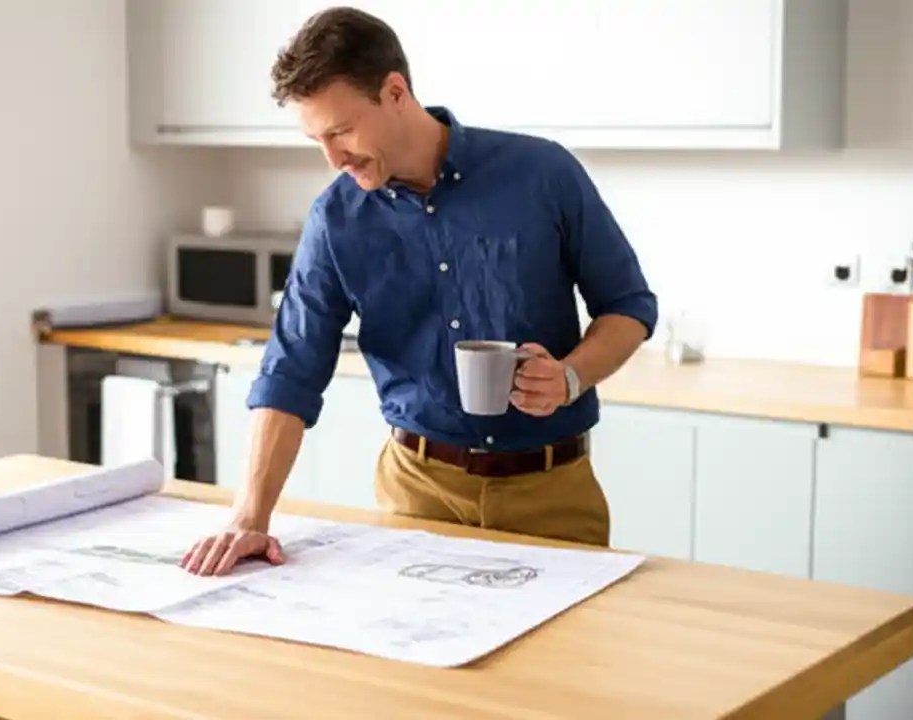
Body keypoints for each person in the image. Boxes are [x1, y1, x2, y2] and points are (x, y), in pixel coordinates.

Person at [180, 7, 656, 576]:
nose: (333, 158)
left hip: (553, 496)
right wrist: (248, 518)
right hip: (416, 496)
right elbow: (290, 372)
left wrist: (571, 376)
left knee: (564, 664)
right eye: (317, 139)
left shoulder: (542, 173)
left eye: (341, 130)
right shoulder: (337, 219)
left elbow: (629, 306)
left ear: (395, 92)